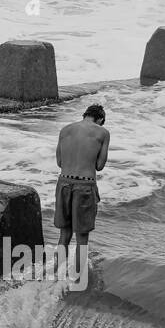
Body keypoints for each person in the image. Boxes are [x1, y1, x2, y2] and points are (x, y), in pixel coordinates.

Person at [50, 103, 110, 285]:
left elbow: (59, 162)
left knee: (64, 235)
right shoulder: (102, 132)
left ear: (85, 115)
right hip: (85, 186)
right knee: (82, 239)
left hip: (63, 184)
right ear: (100, 119)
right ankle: (77, 283)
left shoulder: (65, 130)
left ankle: (54, 280)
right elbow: (99, 166)